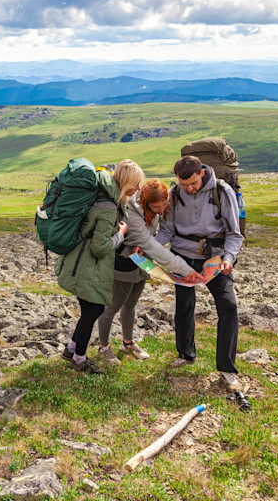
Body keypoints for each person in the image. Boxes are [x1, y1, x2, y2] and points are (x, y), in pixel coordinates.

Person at [155, 155, 244, 391]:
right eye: (183, 184)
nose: (189, 189)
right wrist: (149, 247)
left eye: (192, 183)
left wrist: (228, 258)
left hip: (215, 258)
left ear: (202, 173)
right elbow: (166, 231)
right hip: (182, 256)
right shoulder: (174, 194)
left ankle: (227, 369)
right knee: (184, 305)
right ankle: (185, 354)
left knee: (229, 306)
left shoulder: (222, 192)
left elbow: (234, 233)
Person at [96, 179, 202, 365]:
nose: (161, 210)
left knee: (131, 304)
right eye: (156, 207)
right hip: (124, 262)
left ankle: (127, 343)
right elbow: (152, 246)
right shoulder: (133, 213)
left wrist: (147, 246)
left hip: (142, 262)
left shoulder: (154, 210)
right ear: (146, 204)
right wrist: (185, 270)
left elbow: (152, 240)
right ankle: (103, 348)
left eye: (164, 205)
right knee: (112, 306)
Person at [56, 159, 143, 374]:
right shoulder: (108, 208)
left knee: (92, 310)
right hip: (85, 265)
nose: (138, 188)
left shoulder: (106, 197)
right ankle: (79, 360)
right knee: (92, 311)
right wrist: (120, 235)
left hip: (79, 262)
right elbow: (100, 247)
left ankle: (71, 349)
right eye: (135, 184)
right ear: (126, 183)